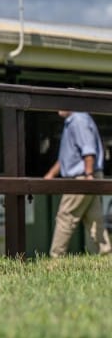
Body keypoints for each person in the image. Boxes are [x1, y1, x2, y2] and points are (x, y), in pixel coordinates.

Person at [44, 110, 112, 257]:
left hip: (83, 176)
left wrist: (88, 175)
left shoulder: (78, 120)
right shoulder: (76, 120)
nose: (58, 108)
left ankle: (56, 257)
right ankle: (106, 254)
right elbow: (66, 159)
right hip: (88, 175)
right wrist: (50, 175)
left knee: (66, 216)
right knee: (94, 218)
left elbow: (88, 150)